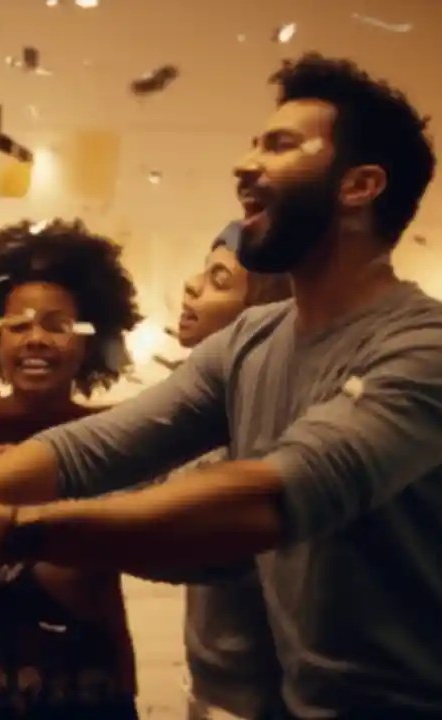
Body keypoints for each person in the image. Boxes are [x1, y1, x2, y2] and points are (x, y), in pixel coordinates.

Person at [0, 53, 442, 719]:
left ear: (359, 187)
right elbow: (96, 446)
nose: (245, 165)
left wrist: (13, 532)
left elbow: (274, 497)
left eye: (279, 146)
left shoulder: (431, 347)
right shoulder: (250, 344)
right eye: (253, 145)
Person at [0, 219, 141, 720]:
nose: (35, 339)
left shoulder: (114, 433)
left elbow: (109, 560)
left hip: (89, 685)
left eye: (56, 325)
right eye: (18, 326)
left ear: (87, 342)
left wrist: (6, 494)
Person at [177, 222, 290, 720]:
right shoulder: (207, 410)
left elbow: (185, 536)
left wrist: (27, 529)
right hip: (216, 690)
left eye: (220, 281)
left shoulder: (266, 426)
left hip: (260, 702)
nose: (191, 286)